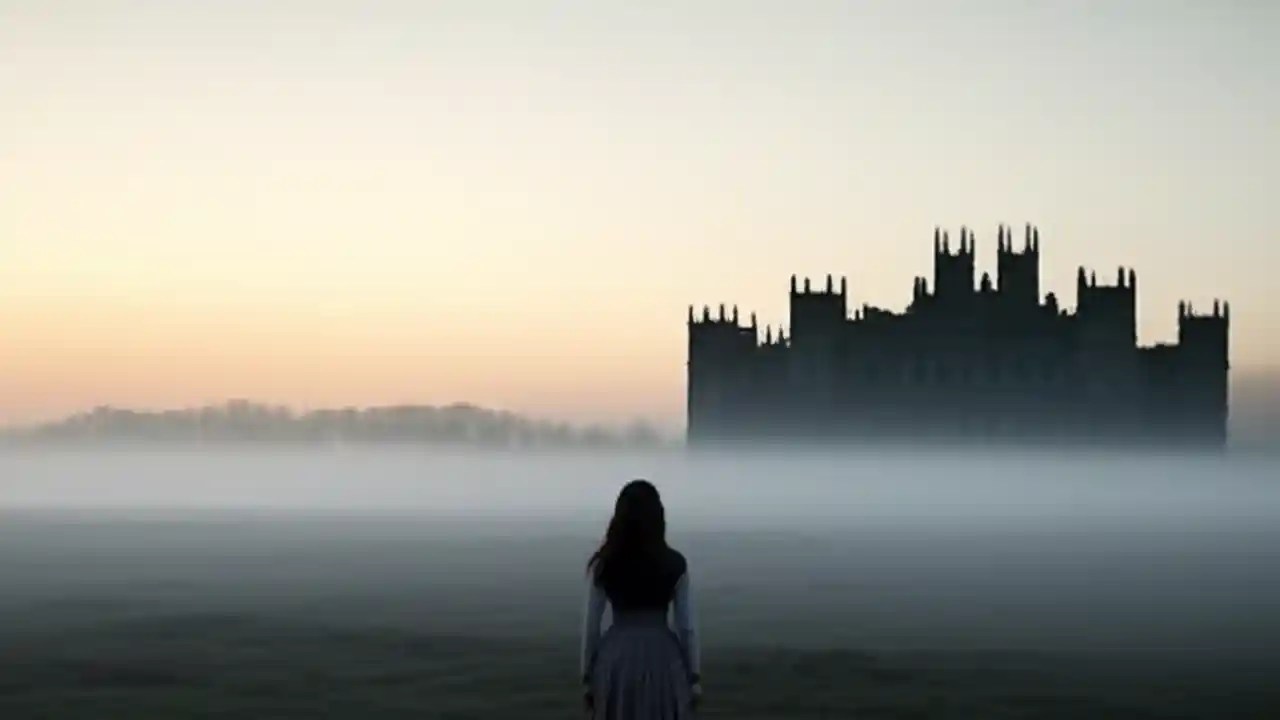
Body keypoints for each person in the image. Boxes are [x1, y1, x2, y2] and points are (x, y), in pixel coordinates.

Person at [580, 479, 701, 718]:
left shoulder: (605, 564)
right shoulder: (675, 564)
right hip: (663, 658)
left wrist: (586, 676)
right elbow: (686, 628)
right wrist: (694, 676)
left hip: (616, 659)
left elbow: (591, 627)